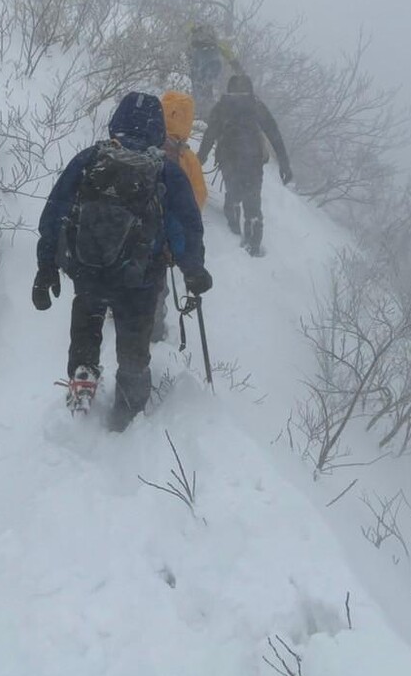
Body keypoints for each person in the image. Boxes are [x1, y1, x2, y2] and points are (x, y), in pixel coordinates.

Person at [32, 92, 211, 430]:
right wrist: (193, 269)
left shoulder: (90, 158)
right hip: (139, 279)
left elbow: (55, 212)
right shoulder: (166, 172)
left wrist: (46, 267)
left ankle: (82, 378)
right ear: (159, 129)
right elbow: (185, 225)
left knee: (86, 325)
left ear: (116, 122)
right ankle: (127, 417)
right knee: (133, 347)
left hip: (88, 271)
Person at [198, 73, 292, 256]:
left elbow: (210, 134)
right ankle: (253, 245)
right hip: (253, 159)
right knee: (253, 201)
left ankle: (233, 218)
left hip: (228, 157)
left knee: (233, 191)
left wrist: (199, 158)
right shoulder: (256, 105)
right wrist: (284, 163)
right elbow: (274, 133)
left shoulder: (222, 106)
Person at [152, 89, 208, 341]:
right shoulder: (186, 156)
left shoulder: (147, 144)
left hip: (135, 230)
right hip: (165, 234)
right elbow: (197, 197)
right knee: (156, 284)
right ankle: (153, 330)